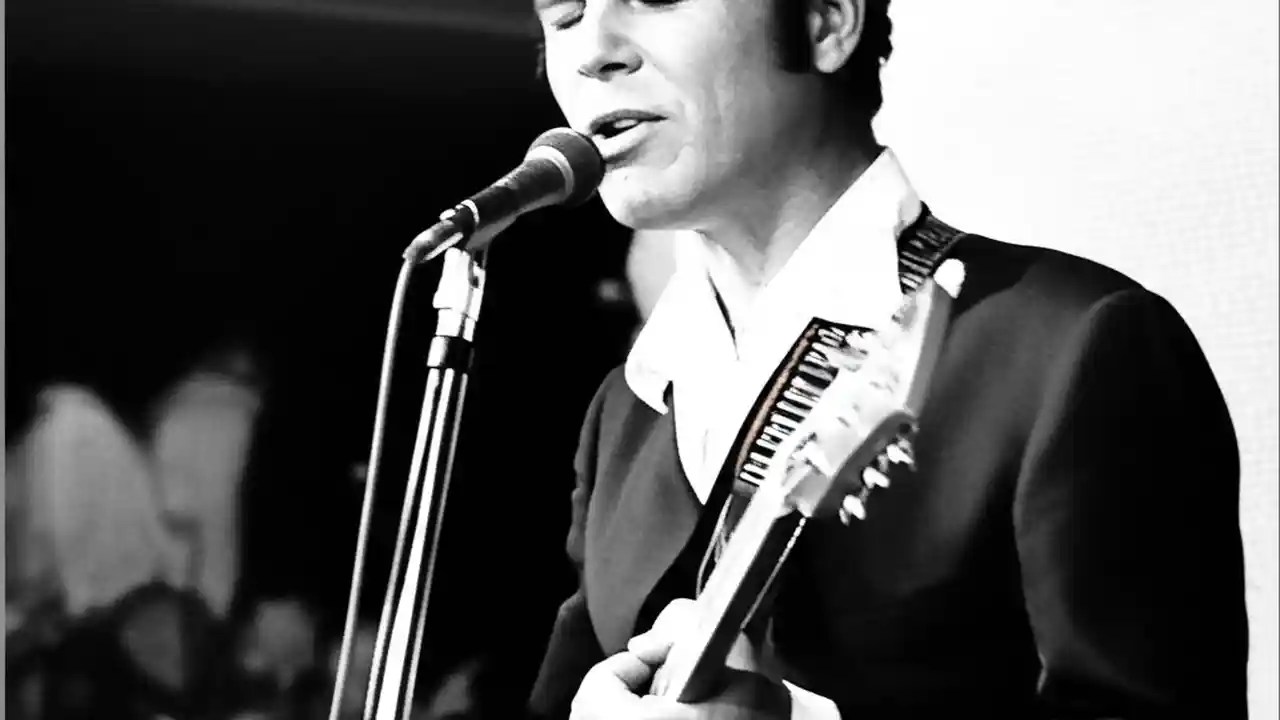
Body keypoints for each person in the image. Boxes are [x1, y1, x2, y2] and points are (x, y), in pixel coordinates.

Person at [525, 0, 1248, 718]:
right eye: (562, 15)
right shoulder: (627, 408)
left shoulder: (1077, 343)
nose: (593, 49)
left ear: (827, 22)